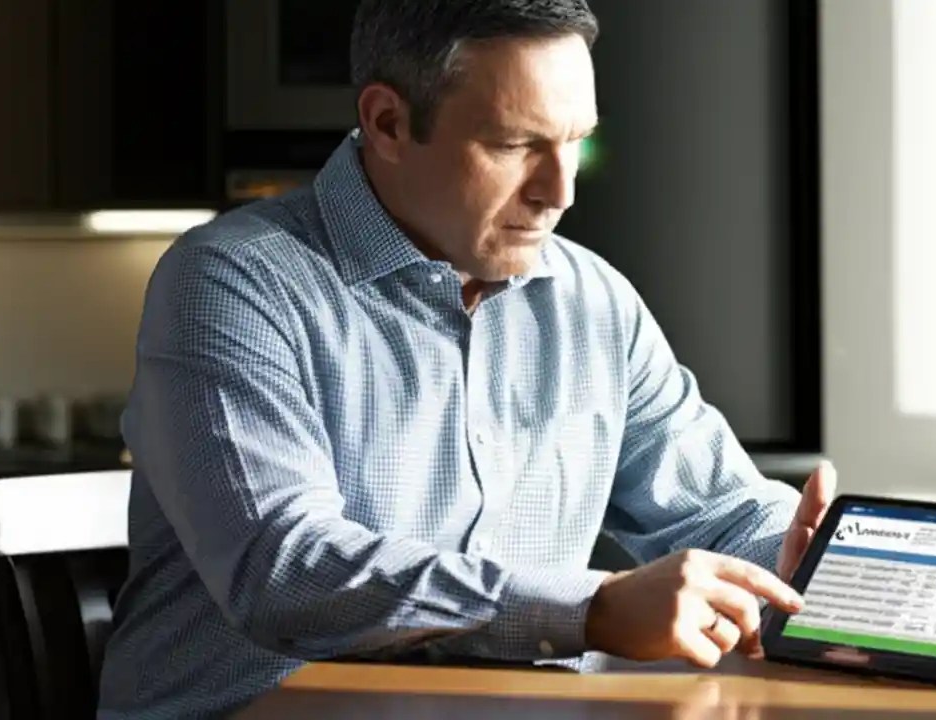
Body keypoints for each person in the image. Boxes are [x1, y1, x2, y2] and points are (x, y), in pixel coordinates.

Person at [97, 1, 837, 717]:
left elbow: (723, 510)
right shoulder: (232, 282)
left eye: (576, 141)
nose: (561, 191)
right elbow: (286, 568)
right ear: (388, 122)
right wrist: (594, 609)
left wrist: (813, 561)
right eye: (516, 146)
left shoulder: (593, 301)